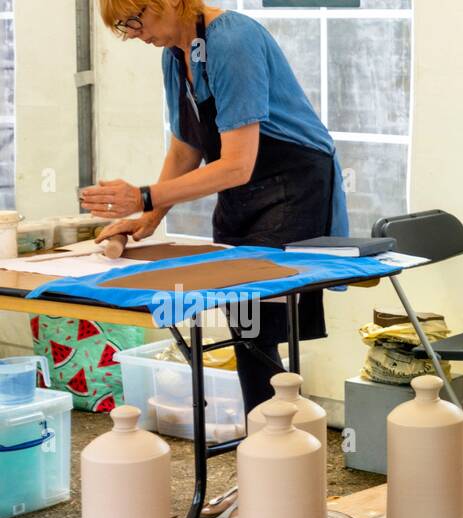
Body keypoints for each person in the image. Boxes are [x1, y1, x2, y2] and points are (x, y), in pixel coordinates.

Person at [83, 0, 348, 409]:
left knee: (259, 323)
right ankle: (265, 445)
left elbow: (237, 165)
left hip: (291, 185)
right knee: (246, 324)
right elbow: (187, 144)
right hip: (242, 193)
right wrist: (148, 218)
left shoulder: (233, 40)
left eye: (134, 19)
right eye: (123, 27)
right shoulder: (175, 55)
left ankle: (274, 445)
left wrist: (144, 194)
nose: (133, 33)